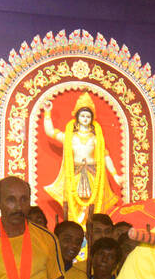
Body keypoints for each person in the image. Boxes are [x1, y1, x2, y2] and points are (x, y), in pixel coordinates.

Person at [42, 94, 121, 223]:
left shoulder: (96, 139)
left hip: (92, 174)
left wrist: (115, 174)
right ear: (77, 117)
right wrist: (47, 112)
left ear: (92, 118)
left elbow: (105, 156)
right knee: (75, 204)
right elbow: (50, 132)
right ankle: (77, 226)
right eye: (83, 116)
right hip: (75, 174)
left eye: (88, 116)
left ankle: (90, 227)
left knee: (92, 204)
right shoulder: (70, 137)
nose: (85, 119)